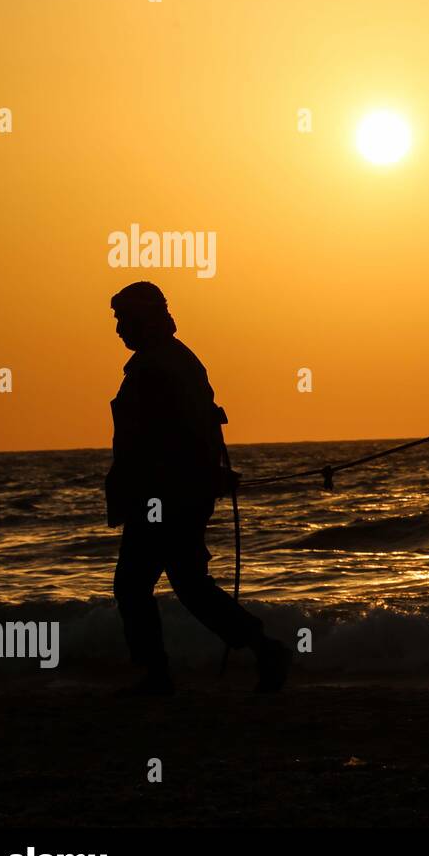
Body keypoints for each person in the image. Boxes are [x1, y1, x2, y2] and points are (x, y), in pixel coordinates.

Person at [106, 281, 290, 694]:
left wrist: (194, 477)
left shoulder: (160, 367)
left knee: (134, 585)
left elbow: (175, 435)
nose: (119, 329)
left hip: (164, 497)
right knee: (186, 583)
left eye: (123, 319)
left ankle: (158, 674)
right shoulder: (174, 360)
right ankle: (261, 647)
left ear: (144, 318)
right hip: (174, 493)